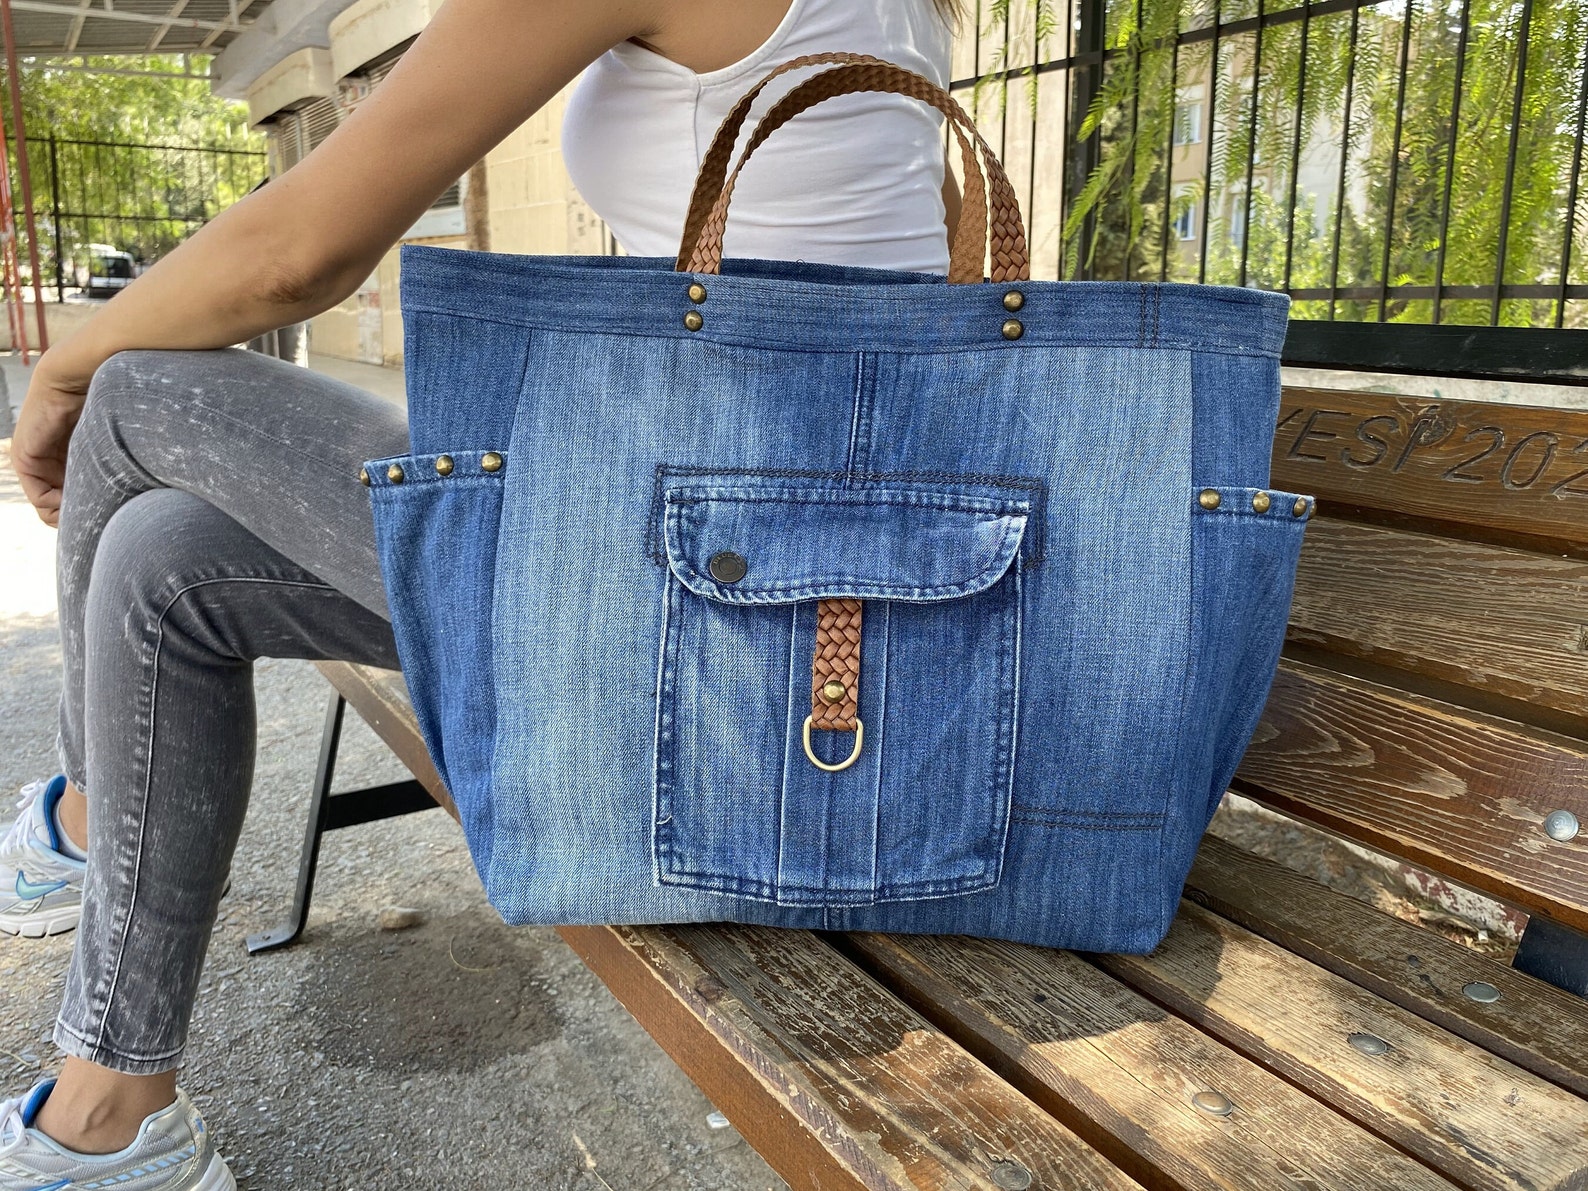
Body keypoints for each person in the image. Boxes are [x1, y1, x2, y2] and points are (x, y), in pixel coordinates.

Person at [0, 0, 961, 1184]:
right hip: (776, 596)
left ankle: (82, 824)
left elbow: (297, 253)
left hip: (732, 642)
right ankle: (112, 1112)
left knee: (143, 386)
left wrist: (55, 369)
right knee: (168, 558)